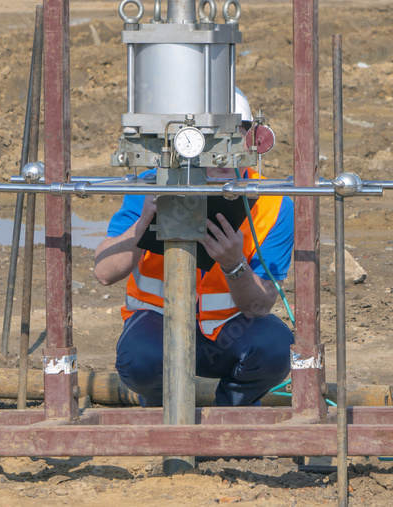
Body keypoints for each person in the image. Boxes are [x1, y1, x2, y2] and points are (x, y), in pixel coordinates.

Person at [94, 90, 295, 407]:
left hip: (229, 333)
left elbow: (258, 308)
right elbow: (104, 272)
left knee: (275, 348)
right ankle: (163, 410)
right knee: (139, 359)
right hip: (158, 324)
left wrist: (234, 264)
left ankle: (230, 416)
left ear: (251, 142)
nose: (220, 156)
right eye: (209, 143)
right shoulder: (151, 184)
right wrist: (144, 220)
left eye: (230, 141)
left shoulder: (273, 202)